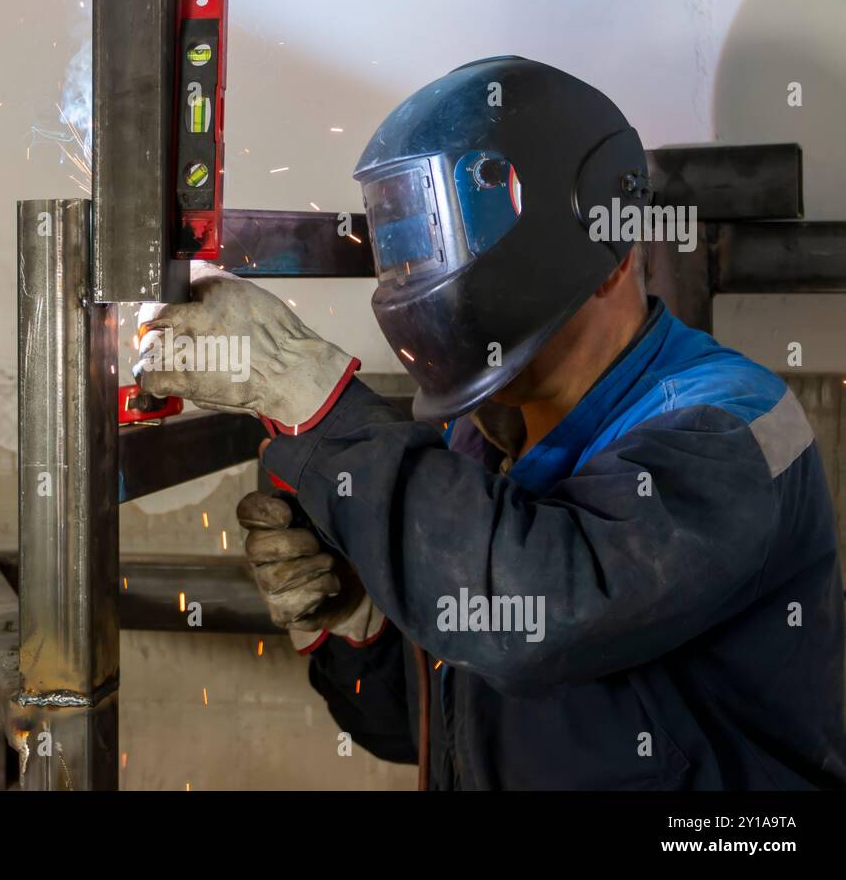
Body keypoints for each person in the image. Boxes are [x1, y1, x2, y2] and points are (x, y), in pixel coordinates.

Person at [137, 56, 846, 789]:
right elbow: (427, 727)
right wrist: (358, 625)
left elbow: (536, 612)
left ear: (604, 243)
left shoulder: (747, 426)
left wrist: (310, 396)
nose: (421, 270)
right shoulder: (479, 440)